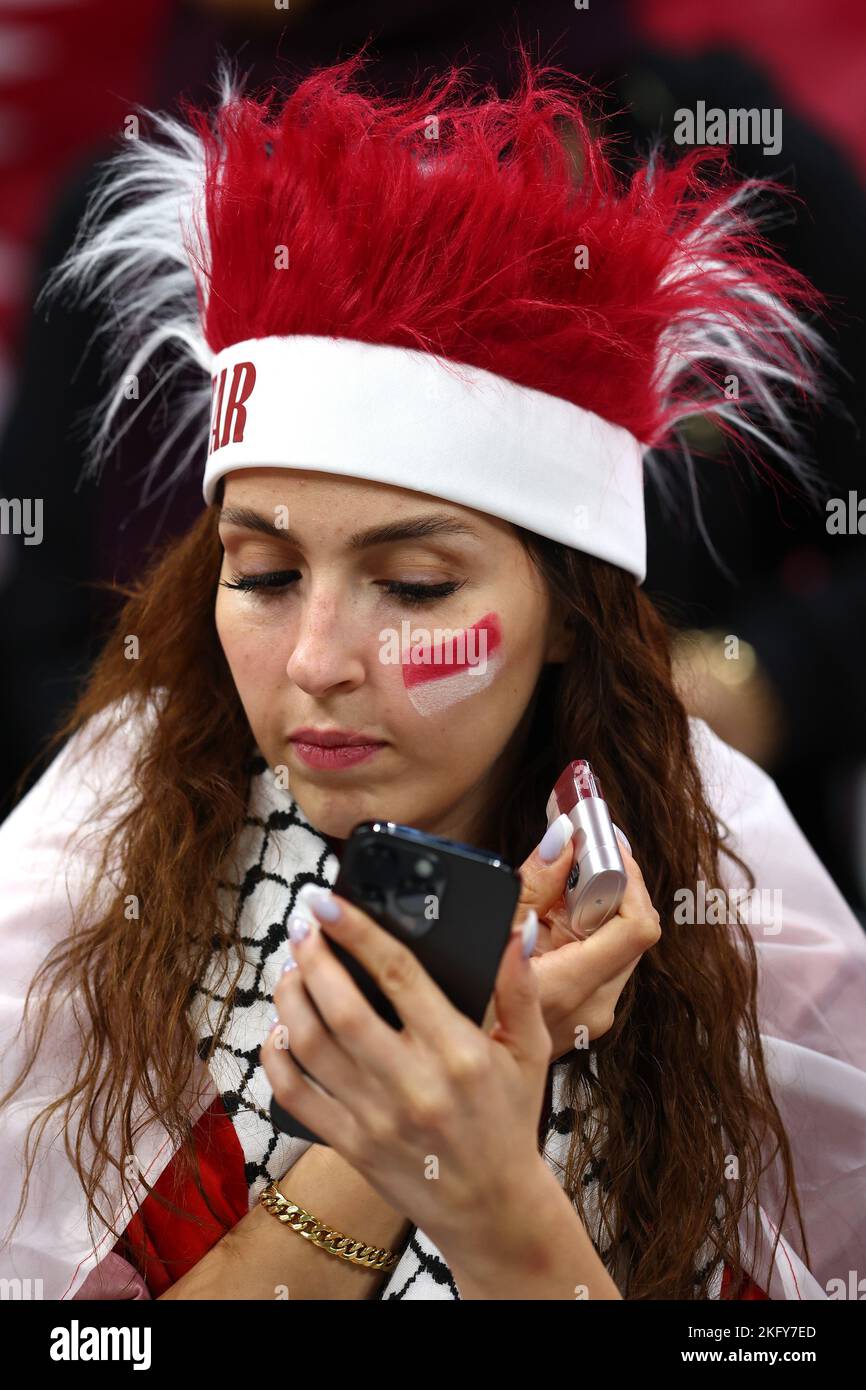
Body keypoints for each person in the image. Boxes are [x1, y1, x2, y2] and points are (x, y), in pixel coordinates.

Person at [1, 50, 864, 1301]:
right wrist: (403, 1111)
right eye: (262, 574)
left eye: (412, 588)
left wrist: (486, 1189)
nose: (315, 664)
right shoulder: (112, 820)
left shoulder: (730, 886)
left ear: (568, 612)